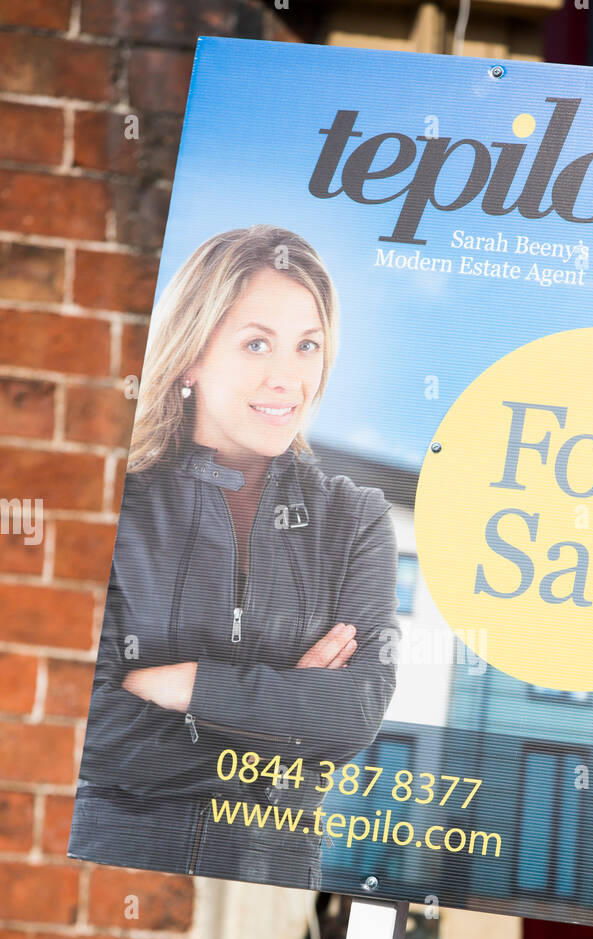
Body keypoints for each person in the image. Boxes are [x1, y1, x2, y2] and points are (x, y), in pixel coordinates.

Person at [68, 225, 400, 891]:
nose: (288, 378)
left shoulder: (356, 517)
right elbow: (95, 731)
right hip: (108, 874)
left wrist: (187, 685)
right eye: (256, 344)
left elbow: (356, 710)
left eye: (307, 346)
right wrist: (284, 740)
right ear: (191, 357)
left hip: (268, 888)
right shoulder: (113, 505)